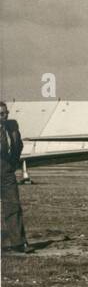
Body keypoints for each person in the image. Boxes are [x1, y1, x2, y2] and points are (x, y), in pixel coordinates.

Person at [1, 101, 31, 254]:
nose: (4, 116)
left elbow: (18, 145)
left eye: (6, 113)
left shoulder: (12, 127)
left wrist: (12, 164)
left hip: (6, 172)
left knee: (13, 206)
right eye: (1, 114)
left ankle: (18, 243)